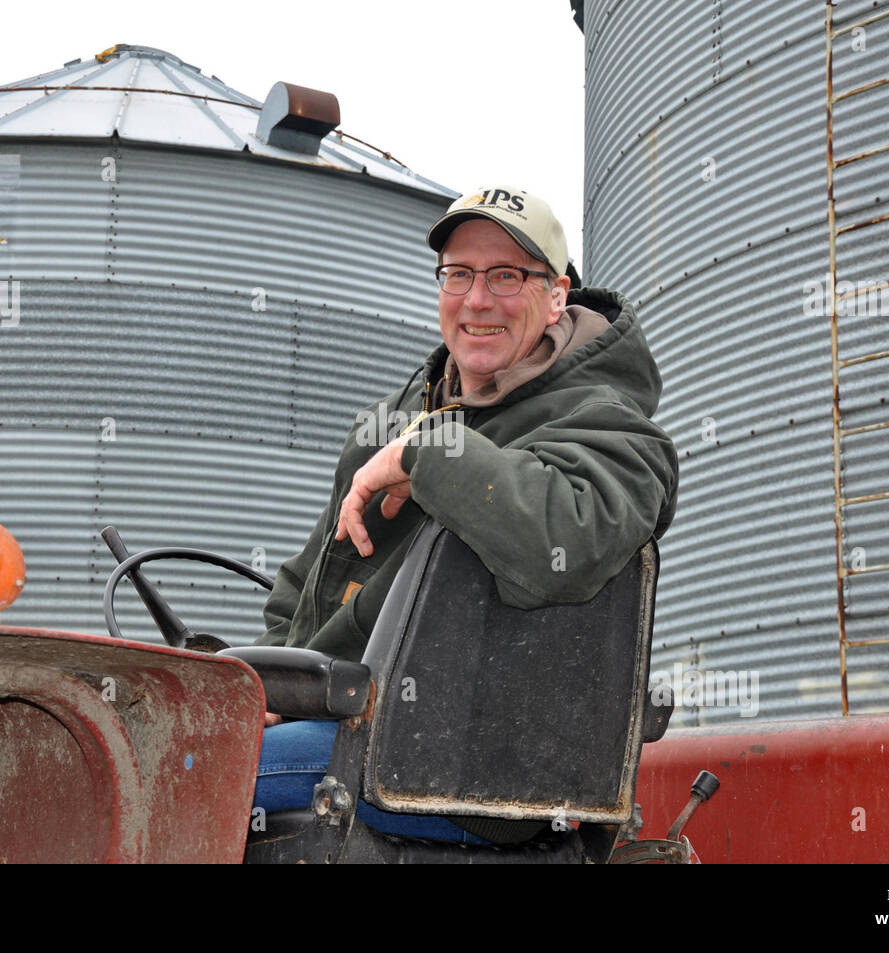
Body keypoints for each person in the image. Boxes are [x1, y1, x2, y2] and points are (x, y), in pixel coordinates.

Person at [251, 186, 679, 842]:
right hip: (353, 723)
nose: (478, 300)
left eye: (508, 276)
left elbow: (564, 538)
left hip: (475, 768)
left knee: (180, 765)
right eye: (459, 274)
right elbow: (306, 584)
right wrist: (267, 689)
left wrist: (428, 454)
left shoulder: (608, 423)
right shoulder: (395, 420)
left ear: (558, 295)